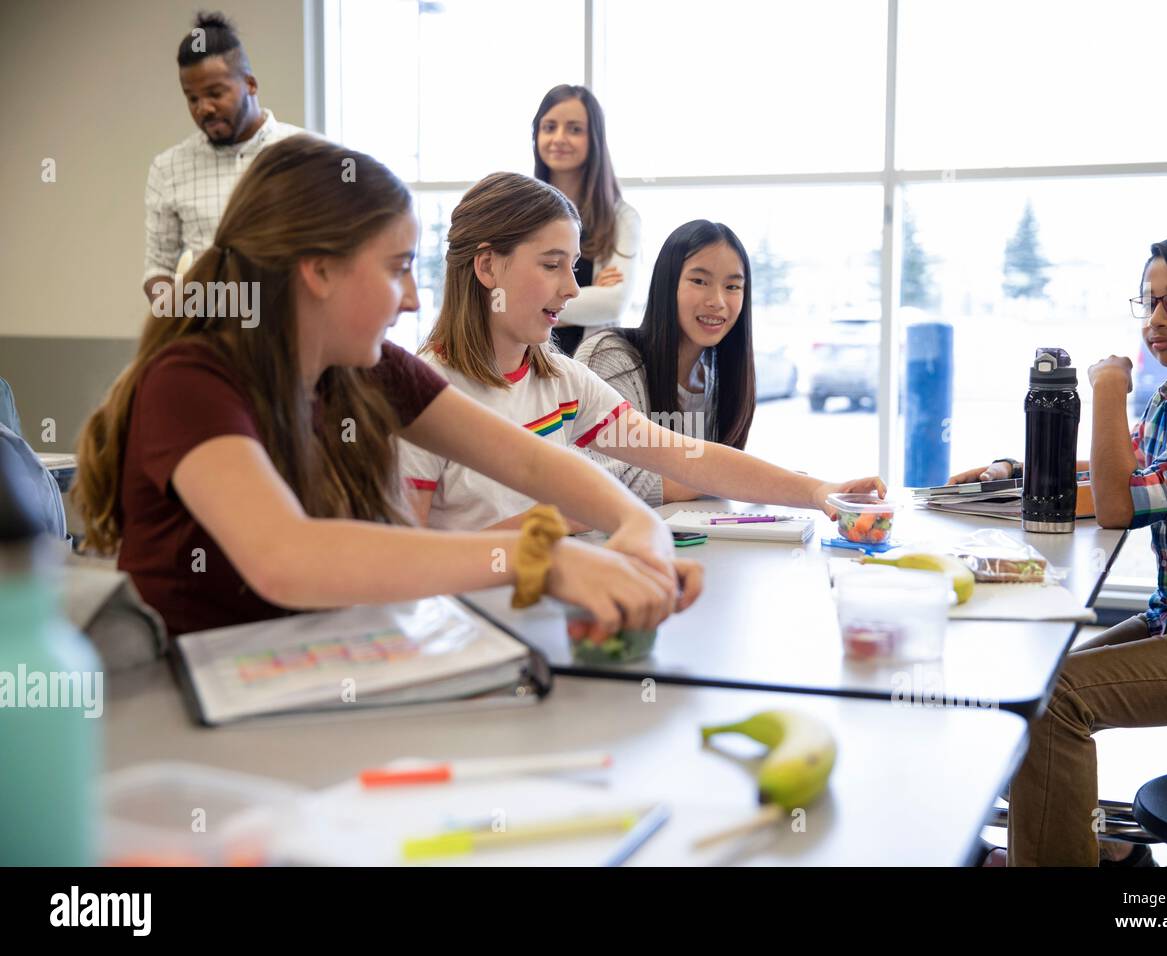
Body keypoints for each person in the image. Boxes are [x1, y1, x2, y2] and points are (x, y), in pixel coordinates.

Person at [77, 135, 700, 639]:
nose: (412, 299)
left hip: (311, 677)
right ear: (319, 271)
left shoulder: (364, 370)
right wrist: (542, 557)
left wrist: (635, 524)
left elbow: (527, 459)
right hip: (191, 706)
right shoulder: (191, 383)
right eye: (397, 268)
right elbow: (287, 557)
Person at [953, 232, 1167, 866]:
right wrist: (1015, 469)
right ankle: (1108, 853)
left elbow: (1121, 504)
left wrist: (1109, 387)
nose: (1158, 318)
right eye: (1150, 301)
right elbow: (1124, 474)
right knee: (1025, 684)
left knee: (1057, 699)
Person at [401, 172, 886, 533]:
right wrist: (559, 519)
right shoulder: (422, 398)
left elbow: (686, 456)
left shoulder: (563, 383)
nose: (572, 289)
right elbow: (407, 567)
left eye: (572, 266)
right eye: (552, 265)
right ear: (487, 266)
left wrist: (819, 491)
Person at [574, 219, 757, 507]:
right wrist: (748, 479)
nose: (718, 301)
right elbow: (611, 482)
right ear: (667, 283)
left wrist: (744, 479)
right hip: (606, 545)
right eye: (699, 281)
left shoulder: (714, 382)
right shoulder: (609, 356)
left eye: (733, 286)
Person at [142, 11, 303, 305]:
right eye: (192, 98)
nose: (204, 108)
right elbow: (158, 268)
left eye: (215, 93)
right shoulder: (168, 168)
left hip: (292, 334)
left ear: (250, 84)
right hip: (210, 336)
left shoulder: (305, 153)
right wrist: (178, 317)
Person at [531, 85, 639, 355]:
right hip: (529, 363)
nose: (559, 138)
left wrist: (535, 304)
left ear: (594, 138)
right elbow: (499, 300)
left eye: (574, 129)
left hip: (593, 368)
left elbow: (613, 303)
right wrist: (588, 295)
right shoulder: (520, 212)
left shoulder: (621, 218)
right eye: (549, 127)